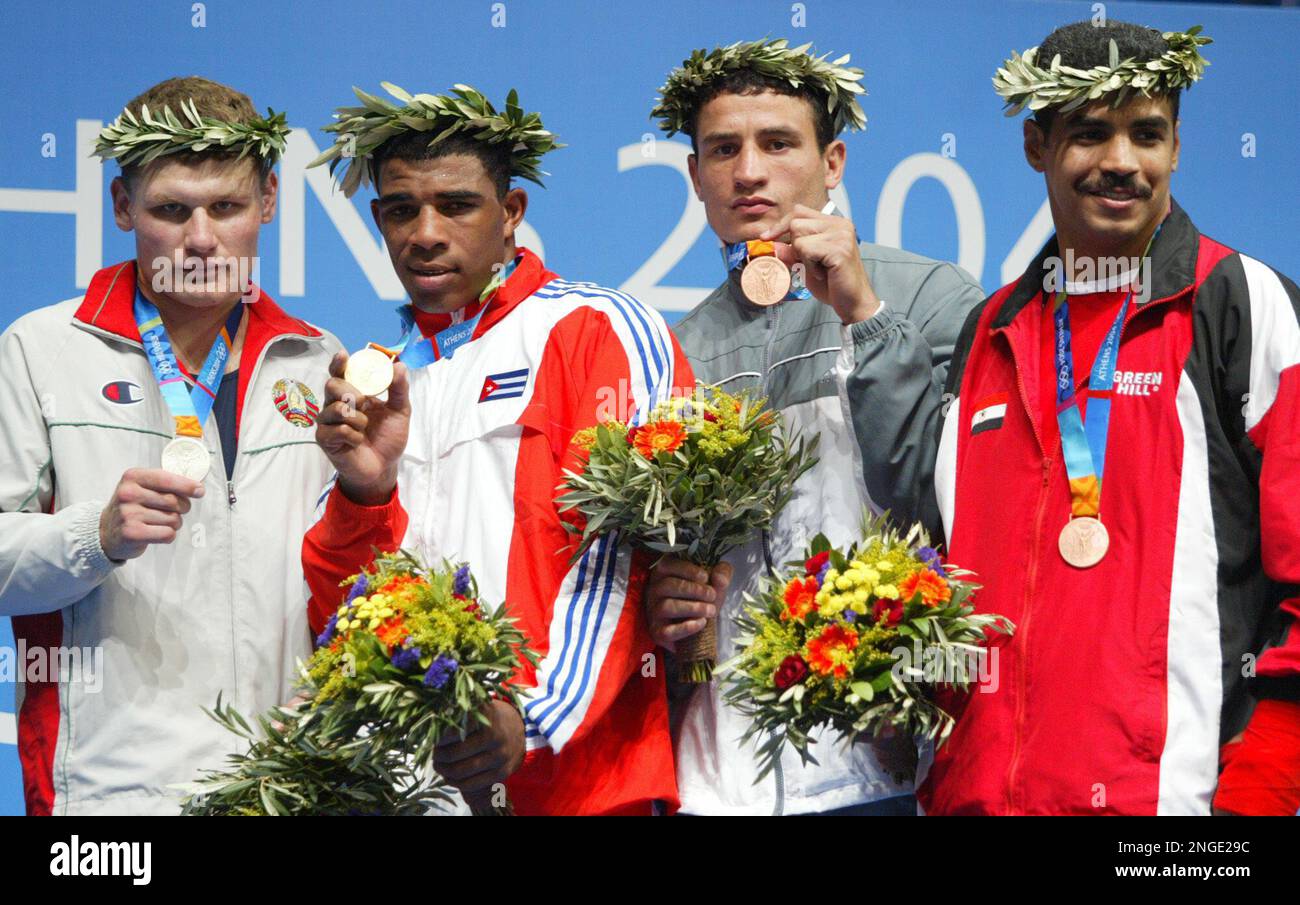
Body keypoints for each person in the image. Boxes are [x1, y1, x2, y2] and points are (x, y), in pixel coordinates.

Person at [922, 21, 1300, 815]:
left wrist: (1262, 787)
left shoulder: (1243, 302)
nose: (1122, 162)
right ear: (1036, 145)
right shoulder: (990, 330)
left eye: (1147, 134)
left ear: (1177, 146)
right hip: (979, 799)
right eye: (1091, 133)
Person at [301, 83, 694, 815]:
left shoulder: (595, 329)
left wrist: (530, 719)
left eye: (456, 204)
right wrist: (365, 491)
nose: (424, 232)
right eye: (399, 209)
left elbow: (622, 557)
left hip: (578, 787)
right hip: (418, 794)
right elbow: (339, 616)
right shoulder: (382, 373)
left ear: (511, 214)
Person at [642, 38, 985, 815]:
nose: (750, 171)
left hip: (891, 770)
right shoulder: (673, 349)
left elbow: (952, 511)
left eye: (777, 143)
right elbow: (673, 595)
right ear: (696, 177)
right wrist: (668, 616)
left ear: (832, 161)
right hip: (716, 782)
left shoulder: (929, 294)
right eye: (723, 149)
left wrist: (864, 316)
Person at [0, 76, 341, 815]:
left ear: (270, 201)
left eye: (227, 207)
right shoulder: (41, 349)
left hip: (292, 788)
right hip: (112, 796)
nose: (200, 238)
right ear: (122, 207)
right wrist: (94, 533)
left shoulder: (317, 363)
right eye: (170, 209)